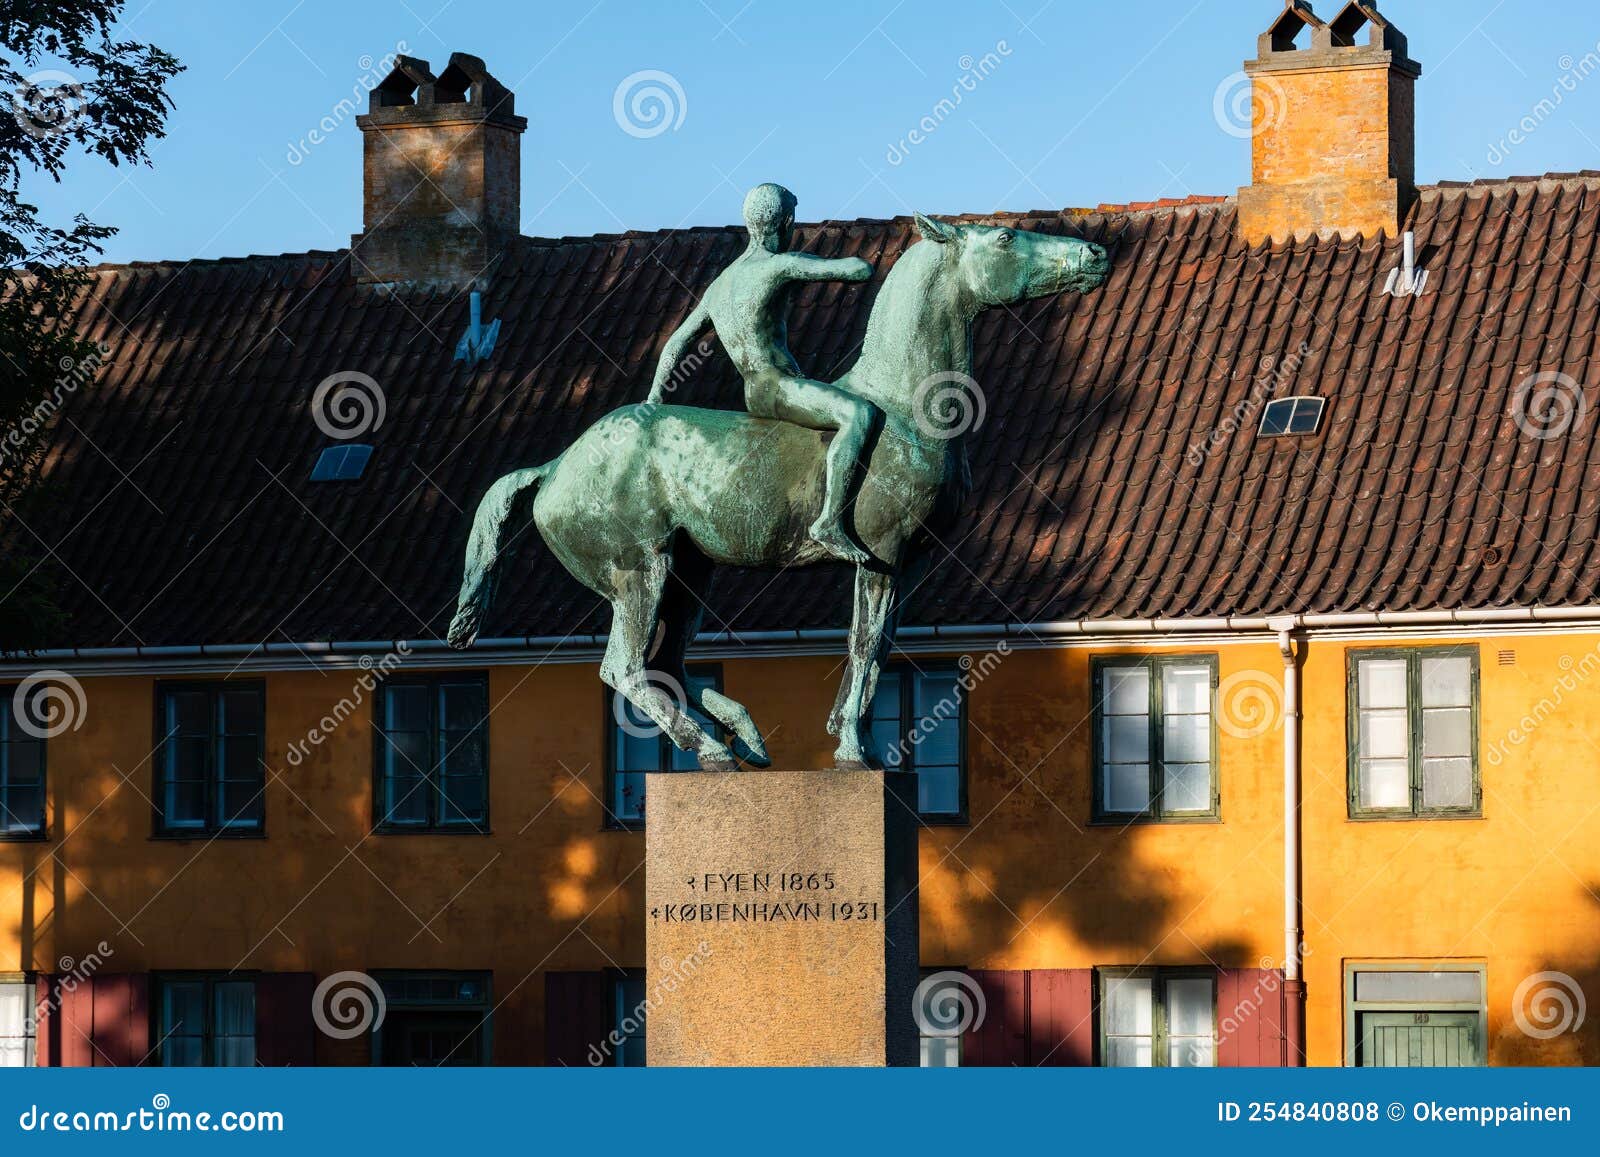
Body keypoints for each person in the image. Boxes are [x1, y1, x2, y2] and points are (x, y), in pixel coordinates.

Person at [649, 183, 879, 564]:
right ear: (786, 222)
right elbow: (857, 270)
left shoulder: (721, 284)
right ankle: (828, 522)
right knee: (859, 414)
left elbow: (676, 342)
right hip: (781, 385)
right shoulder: (779, 265)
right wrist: (859, 264)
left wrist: (656, 396)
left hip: (753, 391)